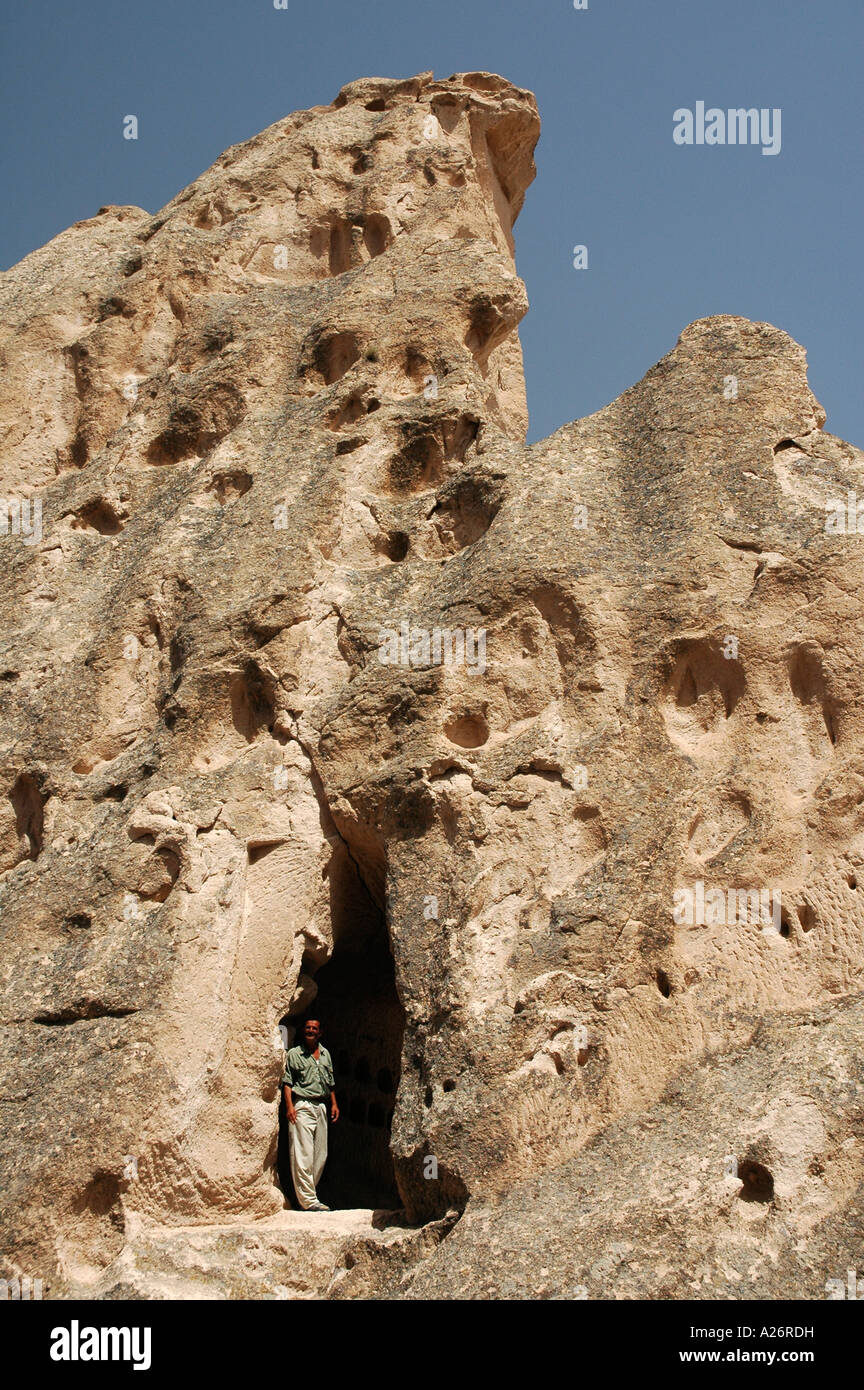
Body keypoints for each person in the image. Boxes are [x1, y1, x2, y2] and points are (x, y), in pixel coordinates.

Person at [282, 1018, 339, 1212]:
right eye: (308, 1028)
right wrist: (290, 1107)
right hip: (303, 1105)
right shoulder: (294, 1054)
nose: (311, 1031)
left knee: (320, 1154)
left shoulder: (325, 1054)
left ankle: (308, 1193)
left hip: (321, 1106)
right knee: (303, 1153)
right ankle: (308, 1201)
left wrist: (334, 1104)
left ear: (320, 1032)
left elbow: (330, 1082)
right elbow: (287, 1083)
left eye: (314, 1028)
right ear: (303, 1031)